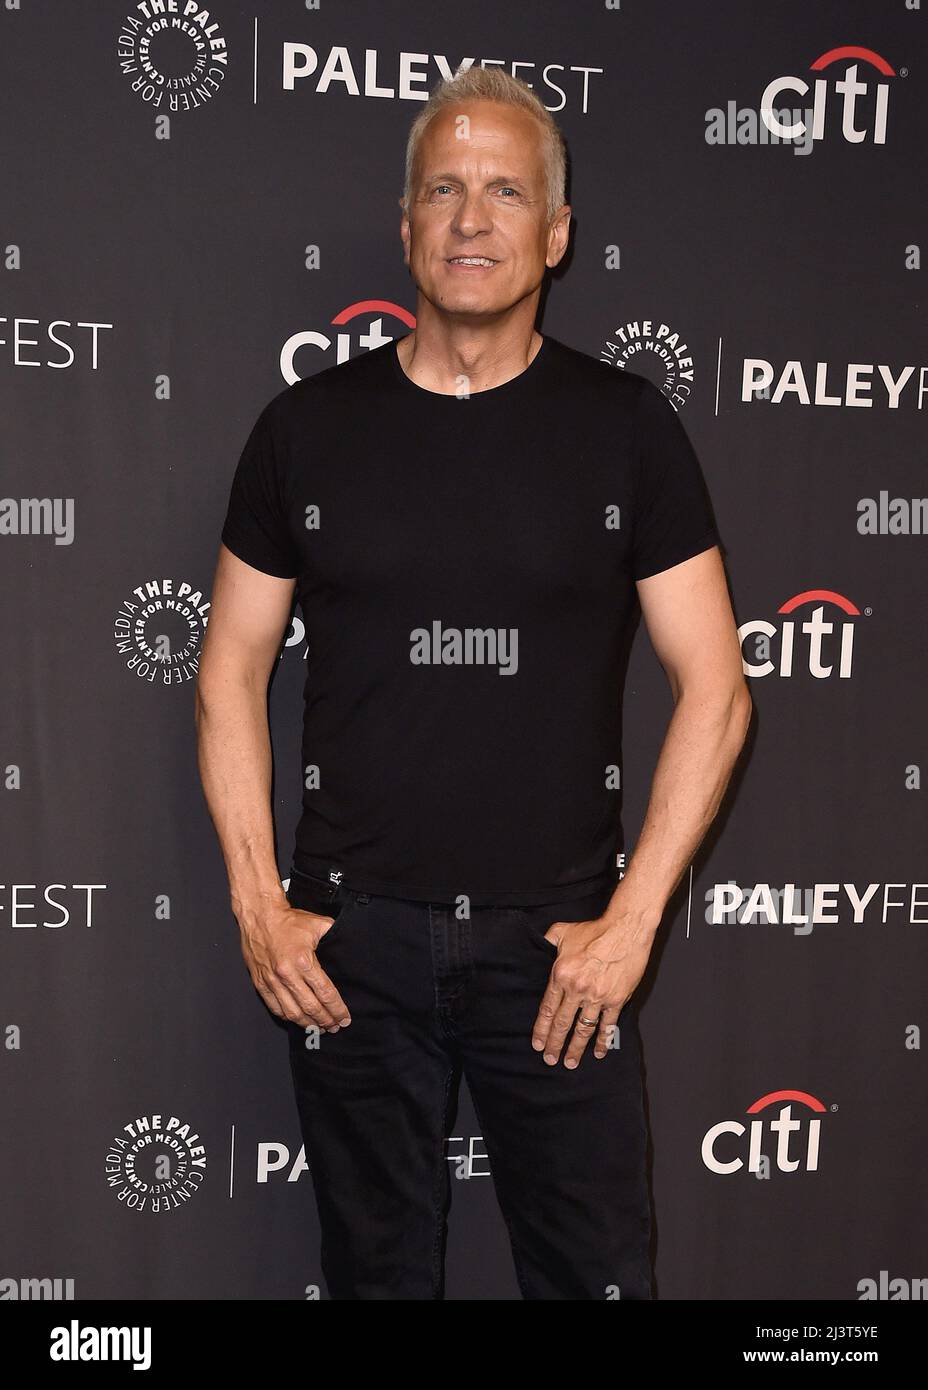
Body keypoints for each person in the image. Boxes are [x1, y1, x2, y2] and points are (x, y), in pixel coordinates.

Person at [195, 66, 752, 1300]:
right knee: (374, 1279)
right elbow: (228, 668)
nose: (470, 218)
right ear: (405, 227)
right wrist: (256, 903)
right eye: (442, 188)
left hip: (558, 948)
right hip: (351, 945)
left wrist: (631, 924)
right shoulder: (305, 428)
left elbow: (715, 686)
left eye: (505, 191)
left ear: (555, 234)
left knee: (597, 1277)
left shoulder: (628, 427)